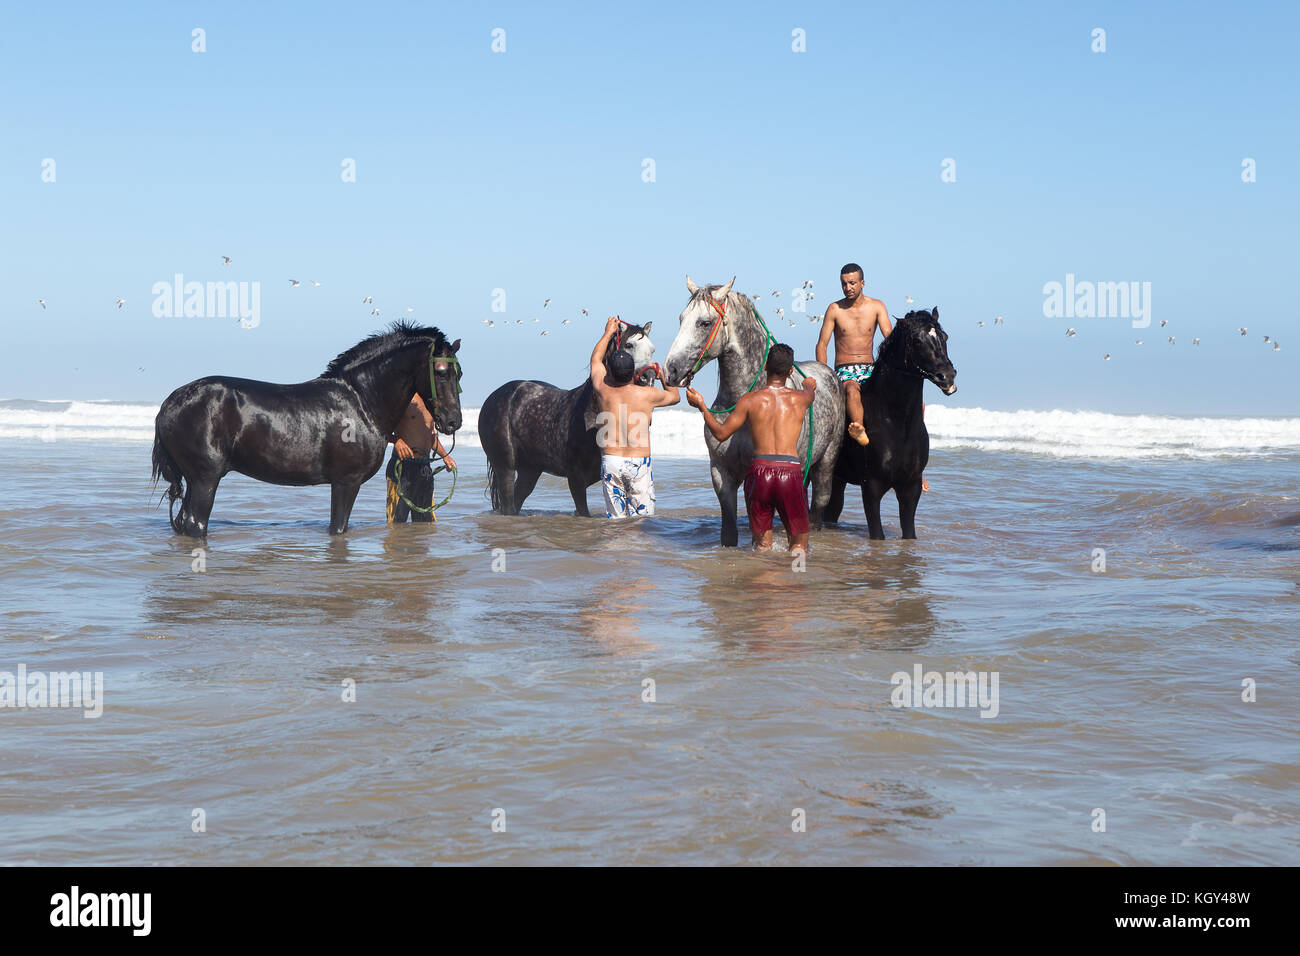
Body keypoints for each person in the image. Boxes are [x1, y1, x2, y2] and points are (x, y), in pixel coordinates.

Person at [685, 343, 816, 554]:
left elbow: (720, 433)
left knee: (762, 546)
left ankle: (760, 585)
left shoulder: (749, 401)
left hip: (760, 473)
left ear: (765, 366)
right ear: (791, 371)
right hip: (790, 474)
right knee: (799, 546)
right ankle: (794, 583)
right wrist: (809, 383)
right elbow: (810, 390)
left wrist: (701, 405)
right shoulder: (801, 399)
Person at [591, 316, 680, 518]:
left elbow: (595, 360)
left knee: (616, 521)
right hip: (638, 463)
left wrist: (607, 333)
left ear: (610, 373)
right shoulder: (647, 395)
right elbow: (675, 396)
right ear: (634, 372)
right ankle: (639, 550)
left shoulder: (603, 390)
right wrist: (660, 374)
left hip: (611, 460)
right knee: (643, 521)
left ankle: (617, 550)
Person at [816, 262, 891, 446]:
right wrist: (824, 375)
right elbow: (822, 345)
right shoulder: (835, 309)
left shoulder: (876, 306)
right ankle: (858, 430)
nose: (847, 288)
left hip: (870, 368)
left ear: (862, 283)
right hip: (844, 370)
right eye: (844, 284)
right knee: (851, 389)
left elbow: (890, 340)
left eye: (852, 283)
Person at [386, 393, 457, 523]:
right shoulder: (403, 395)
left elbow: (430, 435)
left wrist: (445, 456)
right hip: (402, 467)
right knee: (396, 523)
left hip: (424, 469)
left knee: (426, 524)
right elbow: (379, 426)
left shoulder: (429, 400)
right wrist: (396, 440)